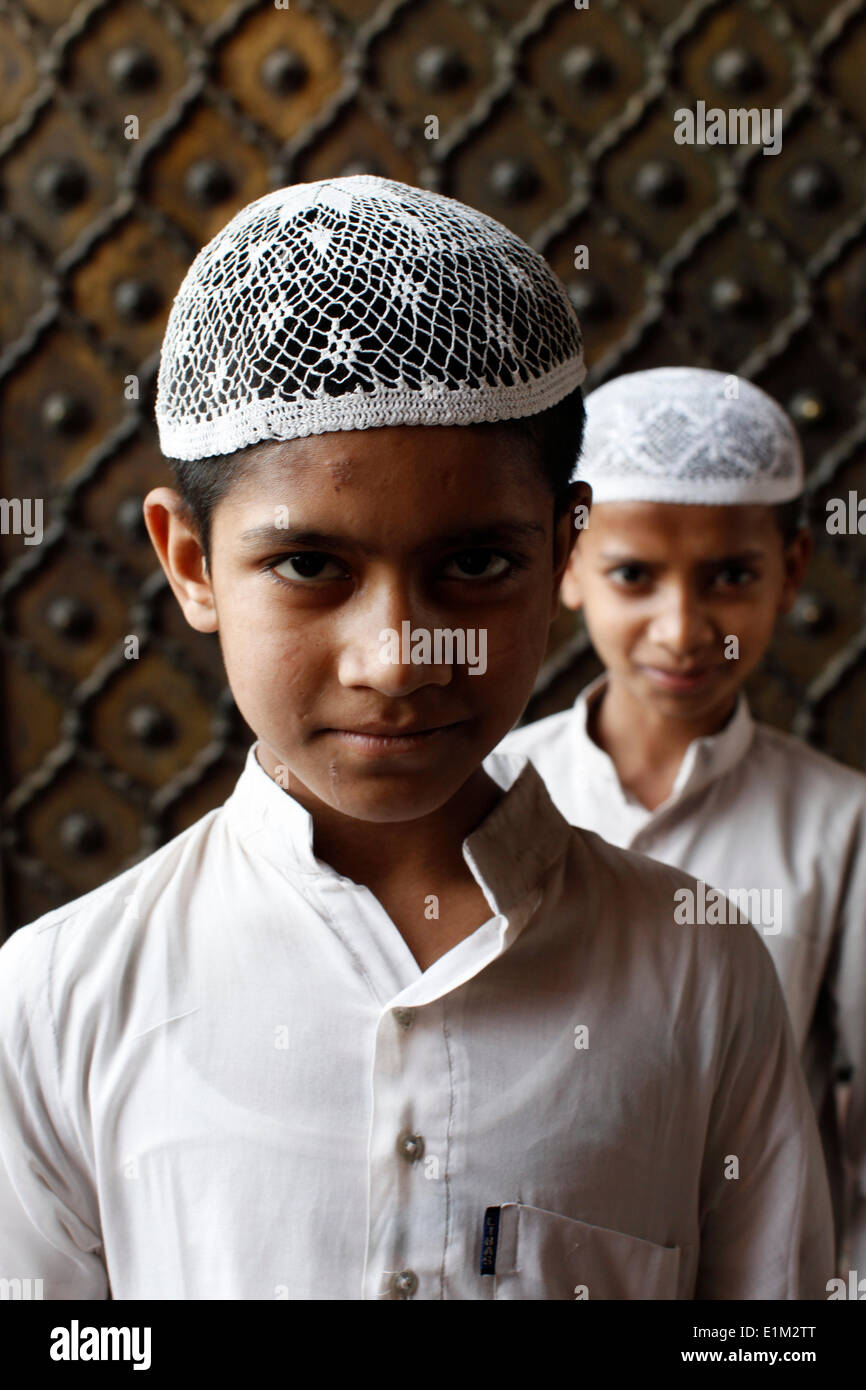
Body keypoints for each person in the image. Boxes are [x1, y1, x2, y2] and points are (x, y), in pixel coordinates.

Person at [0, 182, 833, 1300]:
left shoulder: (702, 973)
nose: (397, 659)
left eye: (475, 564)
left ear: (562, 549)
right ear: (191, 563)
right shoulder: (59, 1000)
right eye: (309, 565)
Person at [496, 365, 866, 1272]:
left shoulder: (843, 826)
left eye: (730, 576)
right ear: (568, 565)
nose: (683, 628)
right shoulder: (493, 789)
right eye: (634, 575)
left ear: (792, 572)